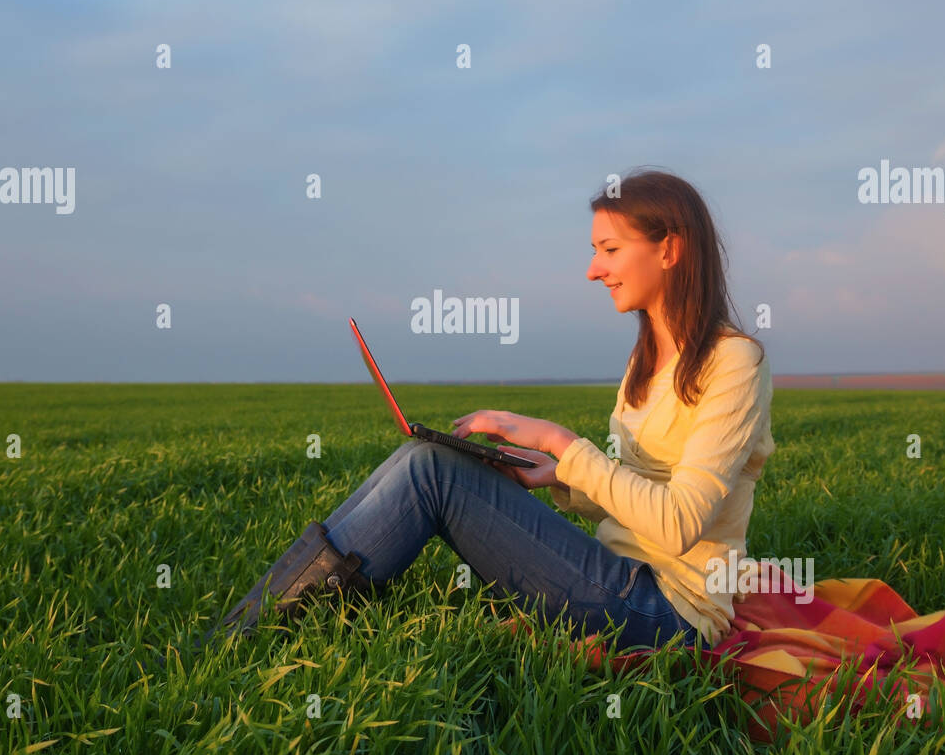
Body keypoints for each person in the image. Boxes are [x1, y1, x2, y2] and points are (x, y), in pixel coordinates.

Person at [216, 168, 775, 654]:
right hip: (618, 575)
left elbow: (677, 523)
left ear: (669, 250)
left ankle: (244, 639)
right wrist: (552, 476)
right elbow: (631, 493)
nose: (593, 269)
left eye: (609, 249)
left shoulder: (734, 364)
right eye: (593, 251)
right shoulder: (648, 359)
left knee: (430, 472)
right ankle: (257, 625)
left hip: (667, 613)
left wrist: (563, 444)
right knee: (428, 453)